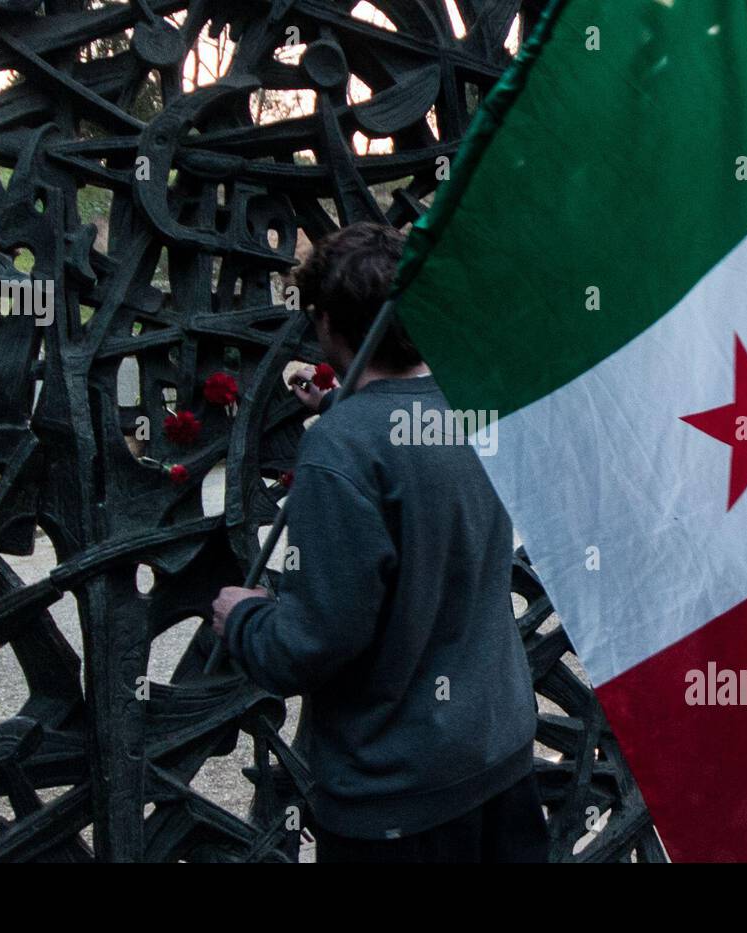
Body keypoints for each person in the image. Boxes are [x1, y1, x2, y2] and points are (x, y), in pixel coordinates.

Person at [210, 221, 549, 863]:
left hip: (400, 800)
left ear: (331, 324)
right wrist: (342, 405)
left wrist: (246, 618)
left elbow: (316, 642)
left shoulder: (342, 449)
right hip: (498, 762)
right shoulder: (472, 408)